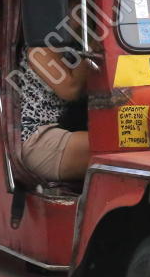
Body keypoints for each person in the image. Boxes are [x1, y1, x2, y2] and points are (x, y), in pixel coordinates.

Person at [18, 39, 95, 183]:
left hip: (63, 124)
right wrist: (94, 48)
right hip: (36, 137)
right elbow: (70, 89)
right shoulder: (38, 46)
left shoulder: (72, 42)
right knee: (122, 147)